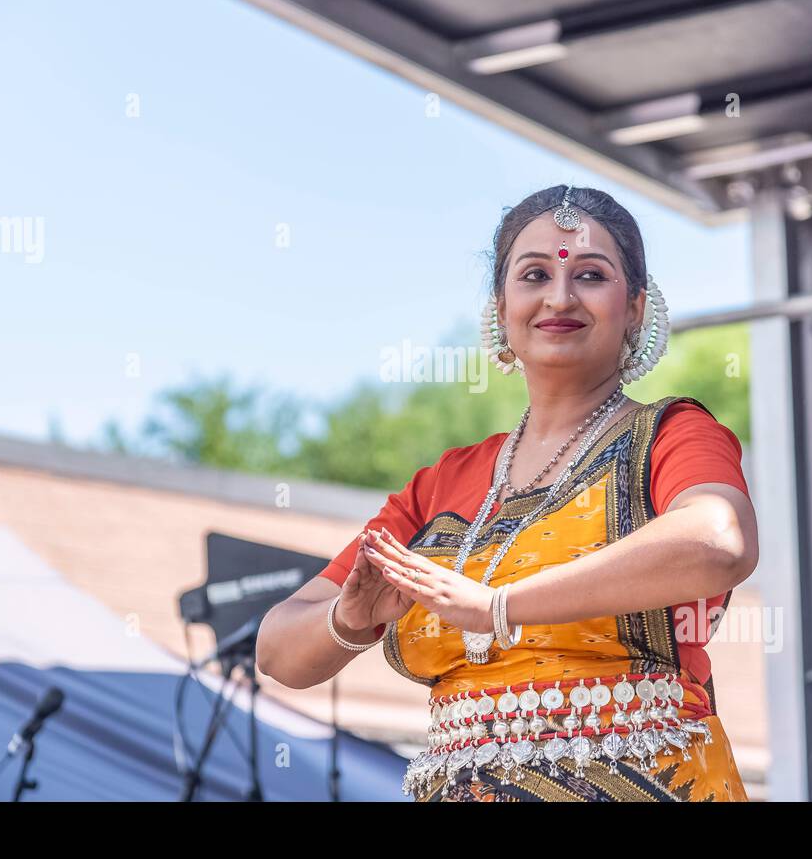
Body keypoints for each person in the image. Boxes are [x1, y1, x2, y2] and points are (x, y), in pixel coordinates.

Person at [256, 185, 759, 801]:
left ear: (634, 308)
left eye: (591, 275)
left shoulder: (669, 435)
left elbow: (718, 539)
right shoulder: (444, 483)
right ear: (501, 307)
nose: (560, 296)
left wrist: (497, 607)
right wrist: (350, 619)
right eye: (535, 274)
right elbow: (278, 649)